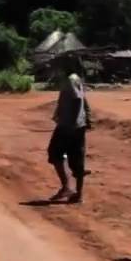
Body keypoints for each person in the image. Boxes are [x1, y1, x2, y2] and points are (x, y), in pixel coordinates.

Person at [47, 71, 92, 204]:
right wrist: (87, 118)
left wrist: (72, 121)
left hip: (68, 125)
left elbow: (78, 99)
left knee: (54, 153)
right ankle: (78, 195)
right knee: (77, 159)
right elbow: (84, 99)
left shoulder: (70, 79)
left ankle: (66, 187)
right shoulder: (77, 78)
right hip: (78, 125)